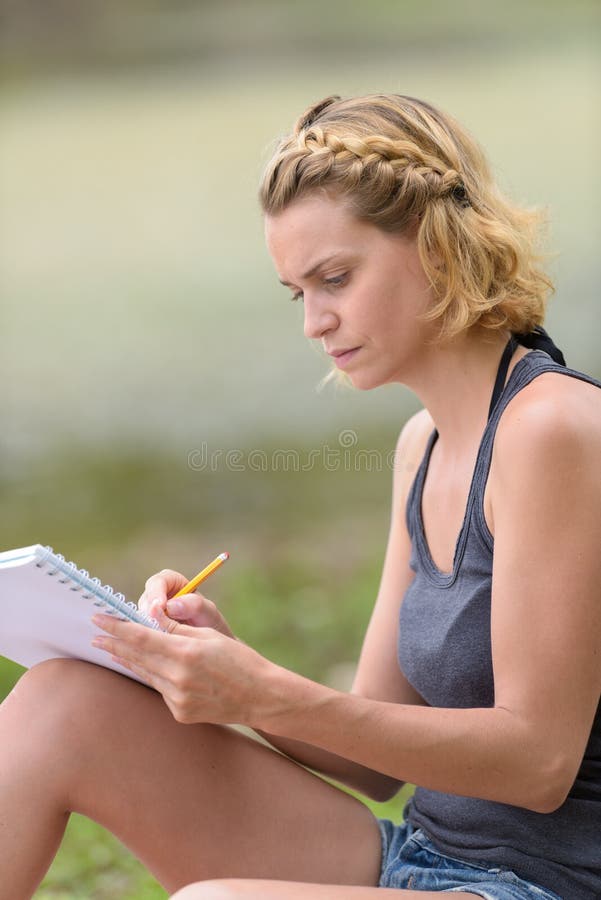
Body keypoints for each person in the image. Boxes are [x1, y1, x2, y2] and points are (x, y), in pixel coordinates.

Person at [1, 94, 600, 900]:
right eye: (297, 292)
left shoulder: (555, 430)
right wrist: (227, 673)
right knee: (64, 701)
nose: (315, 322)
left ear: (436, 247)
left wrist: (263, 693)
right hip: (419, 863)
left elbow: (538, 765)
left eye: (335, 278)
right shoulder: (421, 445)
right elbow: (366, 760)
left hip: (540, 888)